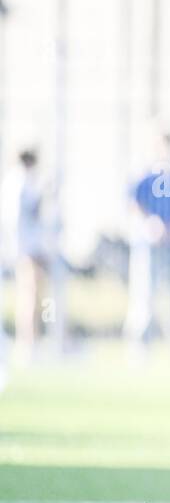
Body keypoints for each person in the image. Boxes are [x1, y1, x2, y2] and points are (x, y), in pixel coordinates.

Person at [123, 131, 170, 365]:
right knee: (144, 296)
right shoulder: (144, 177)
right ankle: (139, 346)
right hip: (149, 245)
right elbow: (134, 204)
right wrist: (150, 224)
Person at [0, 148, 62, 366]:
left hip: (29, 249)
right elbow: (20, 220)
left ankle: (32, 341)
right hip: (27, 250)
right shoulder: (19, 184)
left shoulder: (17, 183)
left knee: (35, 297)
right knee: (30, 296)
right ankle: (27, 343)